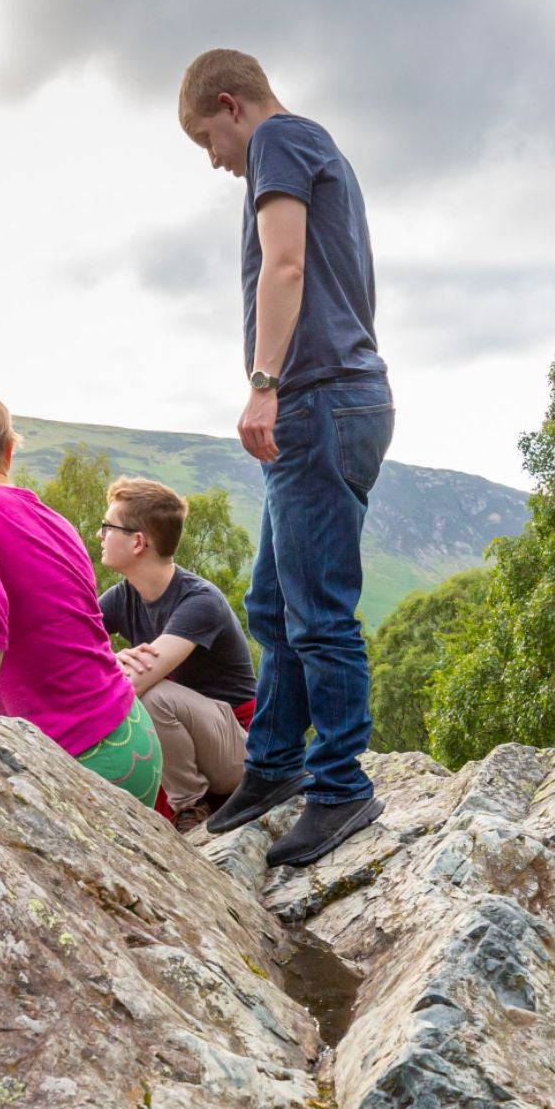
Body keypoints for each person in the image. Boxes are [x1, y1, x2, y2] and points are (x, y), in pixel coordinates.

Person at [178, 47, 393, 867]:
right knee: (272, 603)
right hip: (338, 399)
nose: (213, 160)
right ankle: (273, 764)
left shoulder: (278, 141)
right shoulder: (312, 146)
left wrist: (265, 382)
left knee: (318, 614)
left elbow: (287, 262)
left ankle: (340, 787)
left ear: (231, 105)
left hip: (317, 399)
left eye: (207, 138)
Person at [0, 375, 162, 806]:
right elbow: (50, 644)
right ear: (8, 450)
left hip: (83, 757)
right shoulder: (52, 519)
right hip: (131, 736)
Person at [97, 475, 256, 832]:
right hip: (192, 745)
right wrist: (111, 660)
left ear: (138, 541)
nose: (99, 535)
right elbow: (67, 650)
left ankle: (190, 809)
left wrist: (108, 665)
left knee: (152, 694)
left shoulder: (199, 601)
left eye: (107, 527)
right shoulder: (123, 597)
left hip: (240, 748)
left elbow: (134, 683)